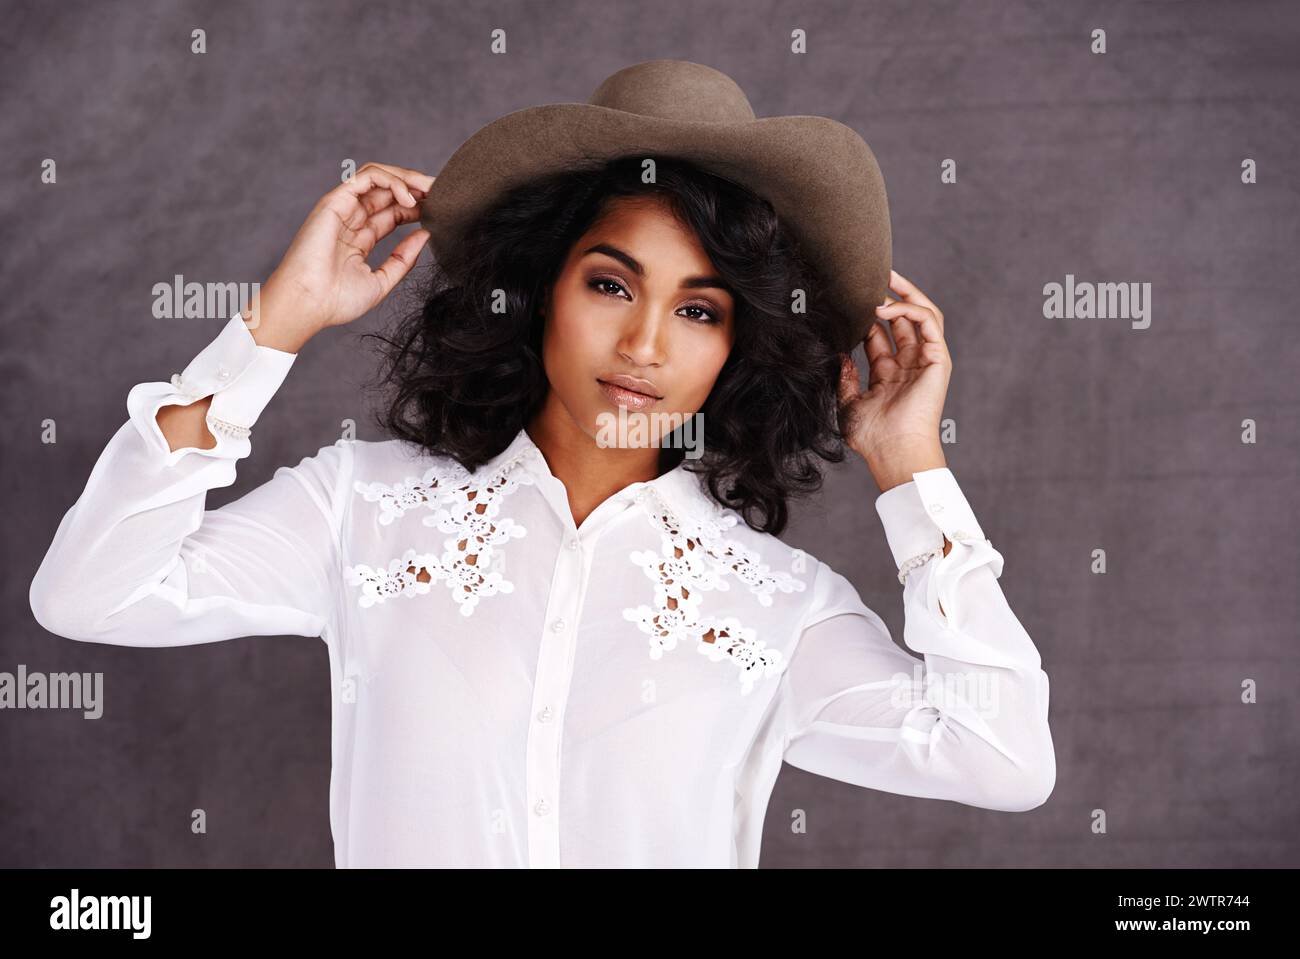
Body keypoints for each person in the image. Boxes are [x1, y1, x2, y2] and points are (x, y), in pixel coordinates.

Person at [28, 60, 1055, 868]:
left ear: (737, 344)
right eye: (612, 284)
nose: (646, 342)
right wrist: (276, 322)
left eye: (699, 309)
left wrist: (909, 461)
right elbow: (91, 594)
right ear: (539, 289)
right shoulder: (363, 509)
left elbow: (1003, 759)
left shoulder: (780, 606)